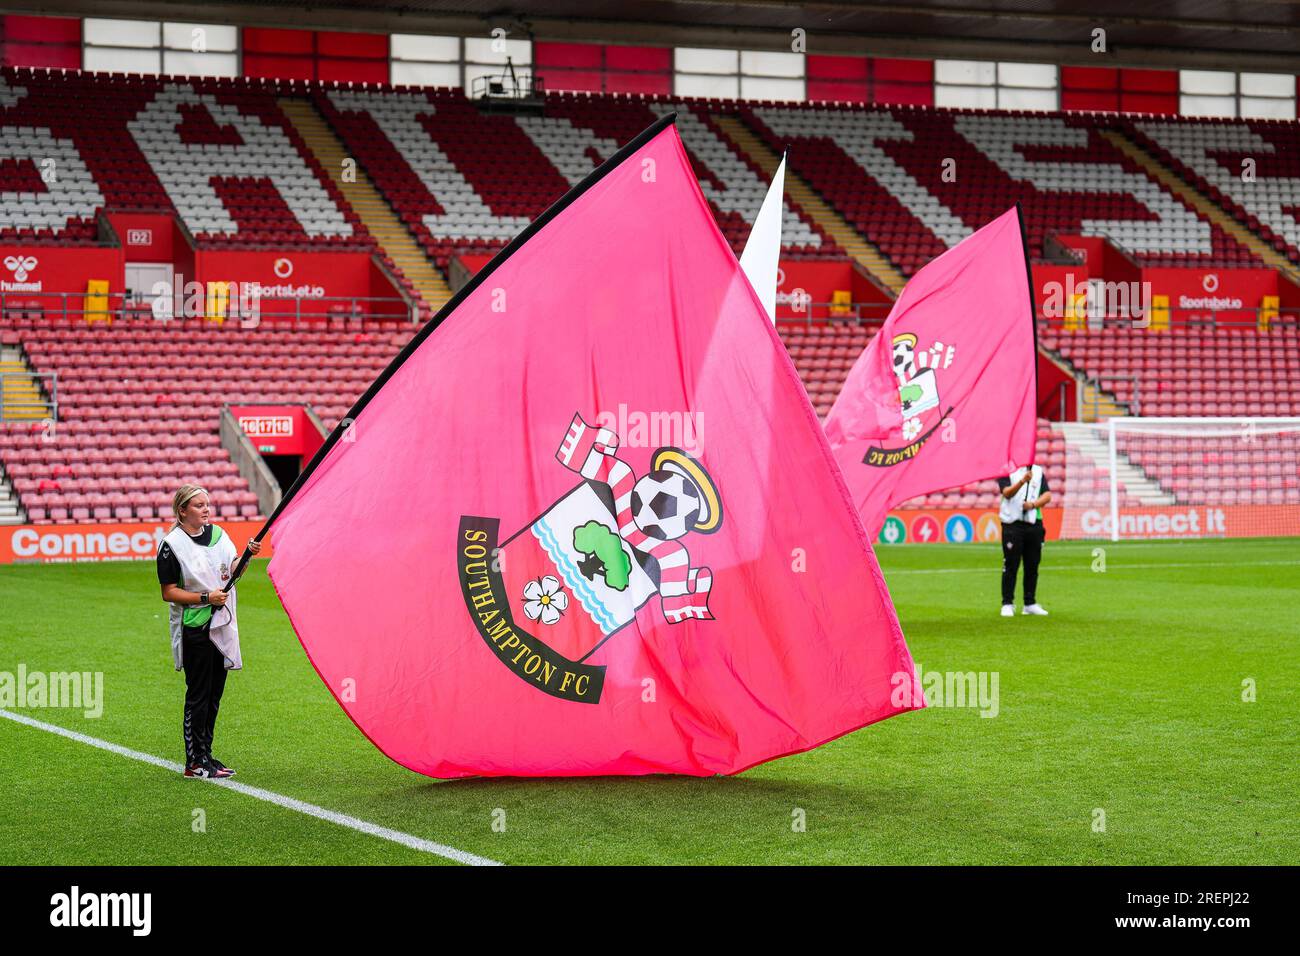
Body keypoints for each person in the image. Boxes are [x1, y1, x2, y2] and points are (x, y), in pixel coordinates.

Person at [157, 484, 261, 778]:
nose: (206, 509)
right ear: (182, 511)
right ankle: (194, 761)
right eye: (199, 505)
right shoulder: (171, 545)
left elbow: (234, 569)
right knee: (199, 695)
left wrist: (247, 556)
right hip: (196, 628)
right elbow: (169, 592)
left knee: (215, 694)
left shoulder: (218, 535)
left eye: (207, 504)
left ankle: (207, 755)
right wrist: (205, 598)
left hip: (221, 623)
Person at [997, 464, 1050, 617]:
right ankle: (1007, 603)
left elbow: (1047, 494)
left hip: (1033, 523)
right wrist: (1022, 481)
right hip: (1012, 524)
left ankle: (1030, 603)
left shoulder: (1038, 471)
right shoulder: (1006, 469)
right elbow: (1006, 493)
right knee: (1011, 564)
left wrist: (1033, 505)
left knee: (1032, 565)